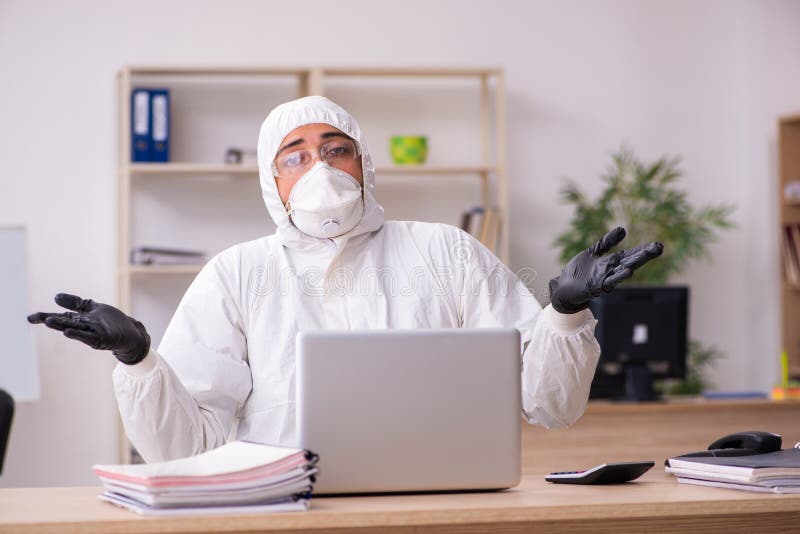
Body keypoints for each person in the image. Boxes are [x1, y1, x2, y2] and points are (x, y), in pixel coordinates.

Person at [28, 96, 663, 463]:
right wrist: (140, 361)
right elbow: (187, 447)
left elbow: (549, 408)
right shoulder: (237, 274)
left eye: (336, 149)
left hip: (445, 509)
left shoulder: (444, 250)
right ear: (271, 181)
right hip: (284, 515)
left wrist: (564, 316)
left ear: (364, 162)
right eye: (295, 157)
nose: (320, 168)